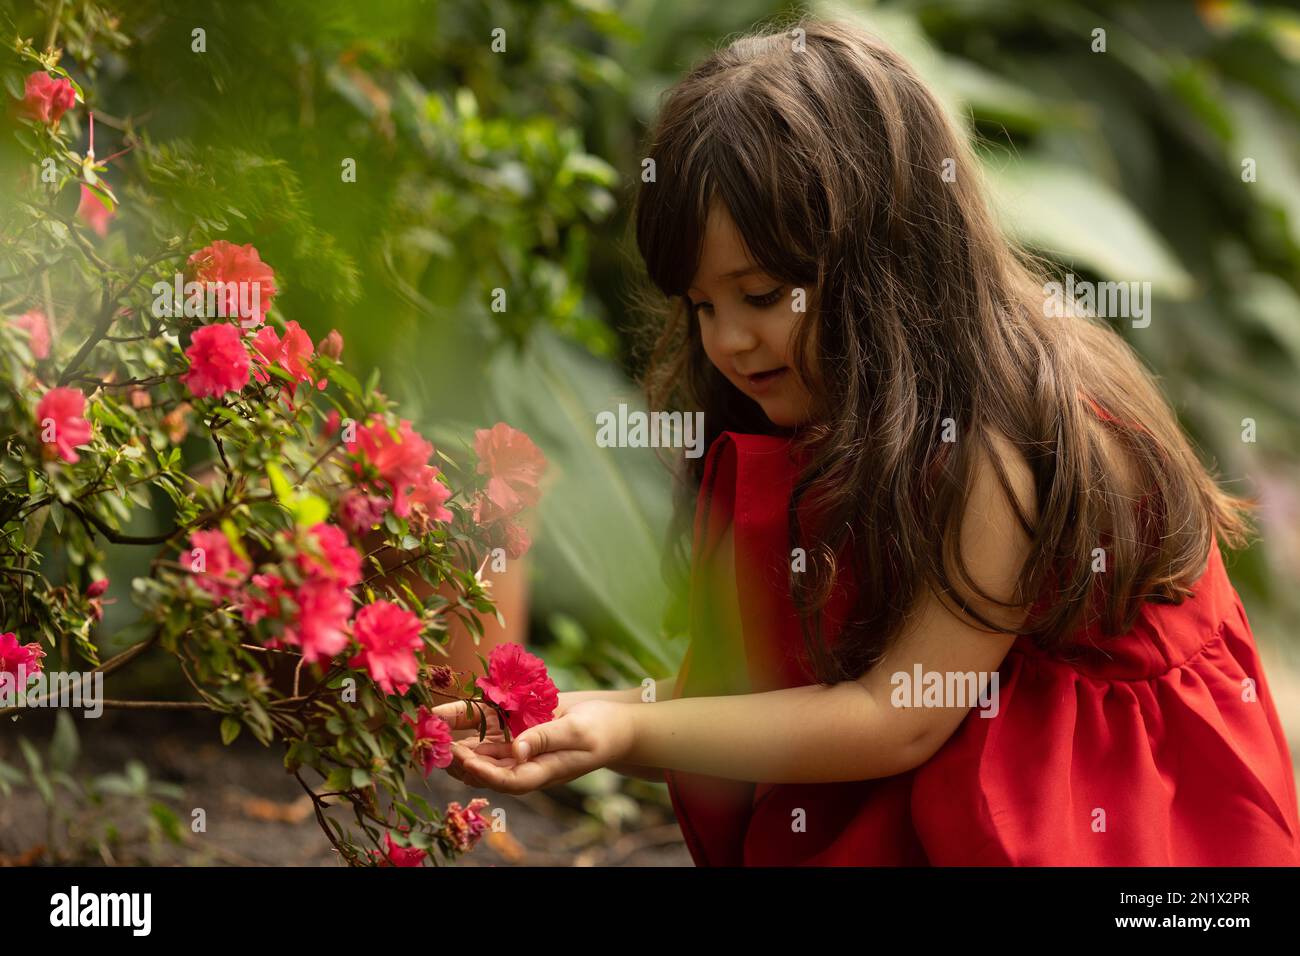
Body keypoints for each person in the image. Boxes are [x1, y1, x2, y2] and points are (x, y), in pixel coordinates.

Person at [435, 18, 1300, 865]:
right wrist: (584, 718)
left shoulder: (995, 443)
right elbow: (778, 703)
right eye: (702, 307)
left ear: (884, 265)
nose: (726, 341)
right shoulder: (842, 404)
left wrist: (625, 725)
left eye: (763, 295)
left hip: (1105, 811)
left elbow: (897, 717)